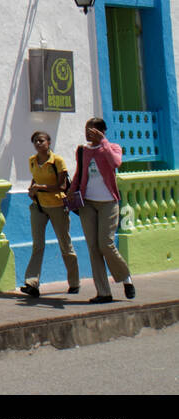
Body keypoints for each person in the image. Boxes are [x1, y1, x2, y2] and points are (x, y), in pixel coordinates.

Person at [68, 118, 135, 303]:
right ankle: (103, 292)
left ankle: (126, 277)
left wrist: (103, 142)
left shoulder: (113, 147)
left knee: (106, 244)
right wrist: (71, 191)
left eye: (93, 131)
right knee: (93, 248)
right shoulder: (82, 151)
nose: (89, 133)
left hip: (108, 203)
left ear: (102, 131)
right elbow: (79, 173)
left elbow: (115, 163)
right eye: (87, 130)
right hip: (87, 203)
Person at [20, 131, 80, 298]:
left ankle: (74, 282)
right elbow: (35, 179)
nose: (38, 144)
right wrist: (32, 190)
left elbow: (61, 186)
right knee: (37, 245)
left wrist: (40, 187)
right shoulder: (32, 161)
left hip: (57, 206)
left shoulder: (57, 161)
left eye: (41, 141)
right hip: (39, 206)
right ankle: (32, 283)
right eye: (35, 142)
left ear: (48, 142)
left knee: (65, 244)